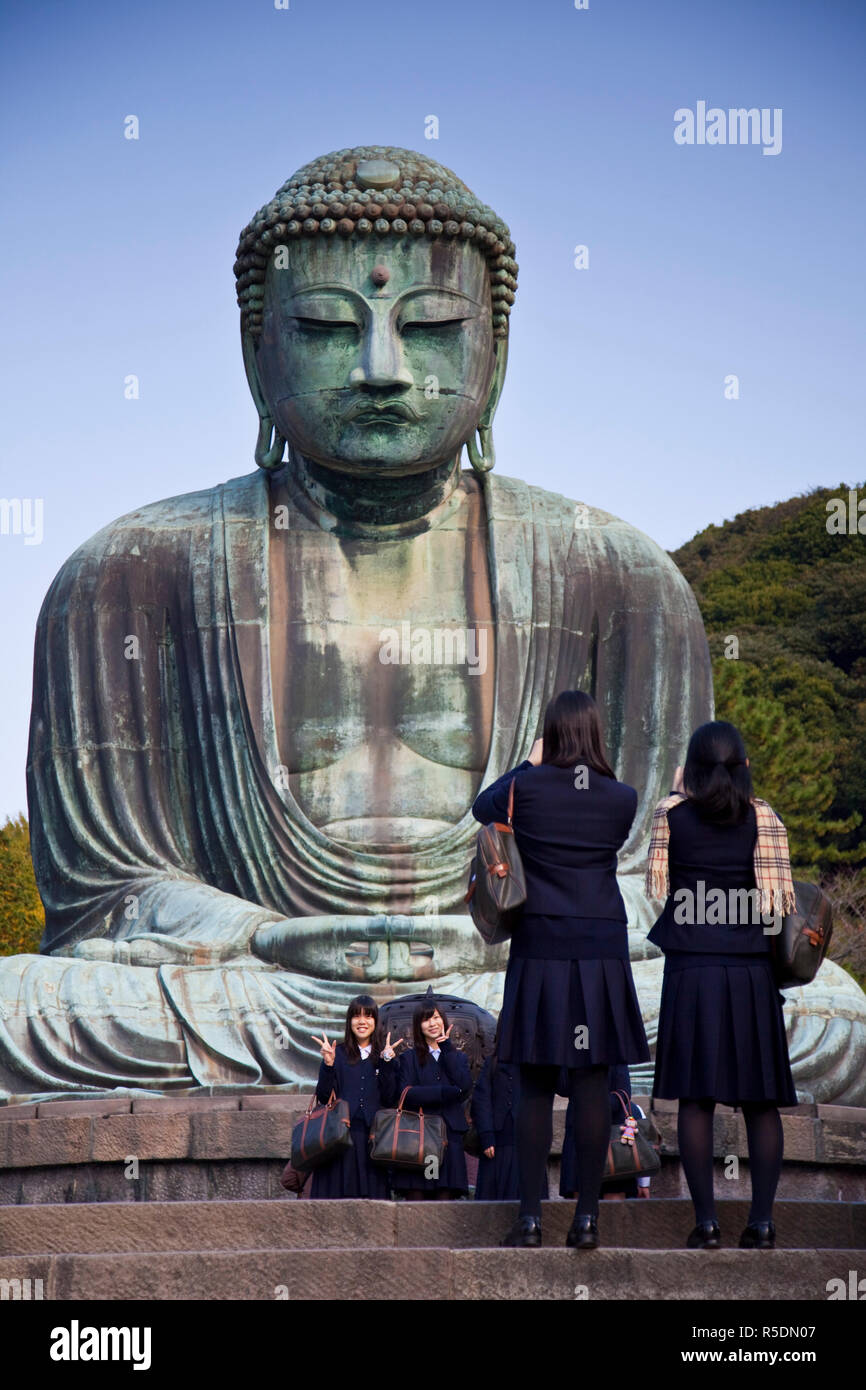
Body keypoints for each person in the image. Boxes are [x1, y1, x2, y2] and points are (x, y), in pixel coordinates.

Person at [471, 690, 650, 1249]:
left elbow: (483, 809)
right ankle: (588, 1219)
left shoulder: (526, 788)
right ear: (597, 733)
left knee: (534, 1086)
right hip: (598, 944)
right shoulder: (622, 798)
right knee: (594, 1082)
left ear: (550, 733)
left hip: (540, 943)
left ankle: (529, 1219)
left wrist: (529, 762)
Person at [645, 720, 798, 1251]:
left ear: (692, 767)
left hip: (692, 969)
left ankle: (706, 1222)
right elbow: (780, 905)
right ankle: (761, 1223)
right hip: (750, 969)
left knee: (696, 1099)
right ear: (743, 766)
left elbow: (654, 884)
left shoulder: (672, 816)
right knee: (760, 1102)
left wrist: (674, 789)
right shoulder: (765, 820)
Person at [309, 995, 401, 1199]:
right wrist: (328, 1064)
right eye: (356, 1016)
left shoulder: (384, 1055)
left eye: (368, 1016)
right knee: (339, 1195)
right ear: (349, 1021)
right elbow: (324, 1097)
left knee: (372, 1196)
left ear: (375, 1022)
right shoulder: (338, 1053)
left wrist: (387, 1063)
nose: (362, 1021)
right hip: (340, 1136)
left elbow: (389, 1097)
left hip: (373, 1138)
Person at [392, 1002, 472, 1201]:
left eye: (436, 1017)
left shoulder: (457, 1057)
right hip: (420, 1137)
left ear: (443, 1020)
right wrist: (444, 1092)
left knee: (445, 1194)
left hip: (449, 1134)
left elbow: (463, 1087)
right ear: (419, 1025)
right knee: (420, 1194)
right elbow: (406, 1093)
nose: (432, 1023)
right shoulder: (409, 1058)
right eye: (426, 1019)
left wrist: (446, 1048)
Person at [559, 1066, 654, 1202]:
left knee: (609, 1196)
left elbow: (623, 1091)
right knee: (589, 1195)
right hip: (596, 1131)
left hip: (608, 1132)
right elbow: (563, 1086)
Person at [472, 1036, 545, 1202]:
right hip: (497, 1143)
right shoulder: (492, 1063)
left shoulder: (536, 1062)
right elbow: (482, 1100)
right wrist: (486, 1135)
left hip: (528, 1140)